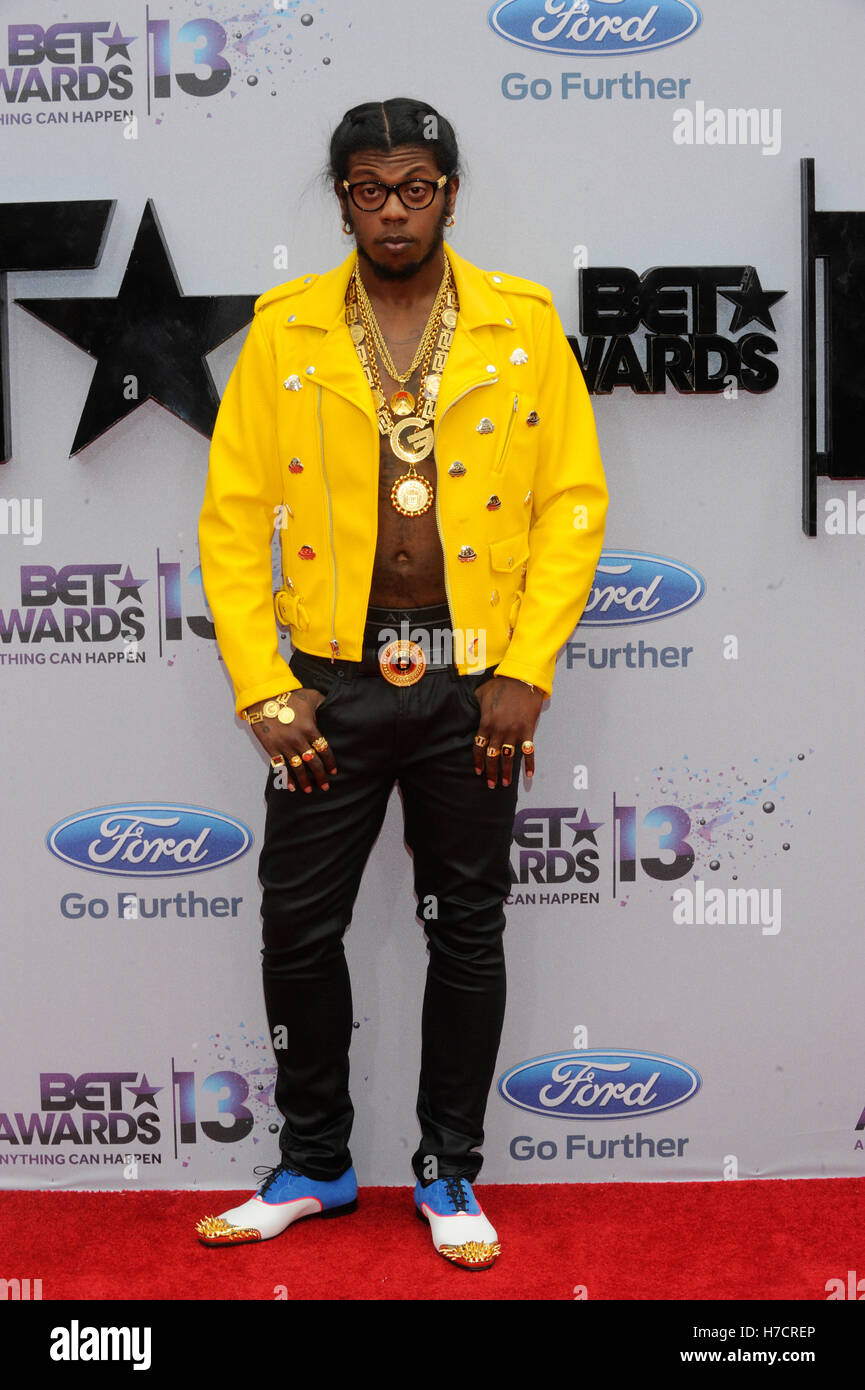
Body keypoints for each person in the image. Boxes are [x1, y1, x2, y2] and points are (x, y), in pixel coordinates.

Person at [194, 97, 608, 1270]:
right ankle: (316, 1160)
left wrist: (526, 666)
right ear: (339, 199)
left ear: (451, 192)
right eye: (368, 188)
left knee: (465, 928)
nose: (392, 209)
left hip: (474, 683)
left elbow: (572, 504)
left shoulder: (521, 326)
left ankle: (446, 1168)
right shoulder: (285, 332)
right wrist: (263, 688)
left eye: (415, 186)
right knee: (295, 925)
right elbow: (231, 525)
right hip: (328, 679)